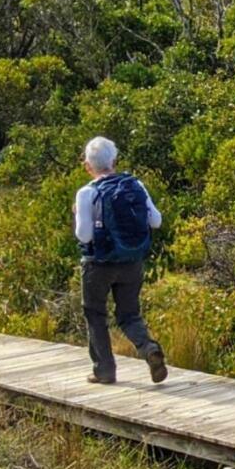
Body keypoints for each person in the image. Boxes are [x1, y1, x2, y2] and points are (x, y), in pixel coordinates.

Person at [73, 136, 168, 385]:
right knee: (129, 315)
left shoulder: (86, 193)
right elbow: (156, 221)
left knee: (95, 314)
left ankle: (104, 370)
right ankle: (148, 348)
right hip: (131, 261)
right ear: (114, 161)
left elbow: (84, 235)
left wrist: (77, 213)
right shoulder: (135, 184)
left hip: (98, 264)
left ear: (87, 166)